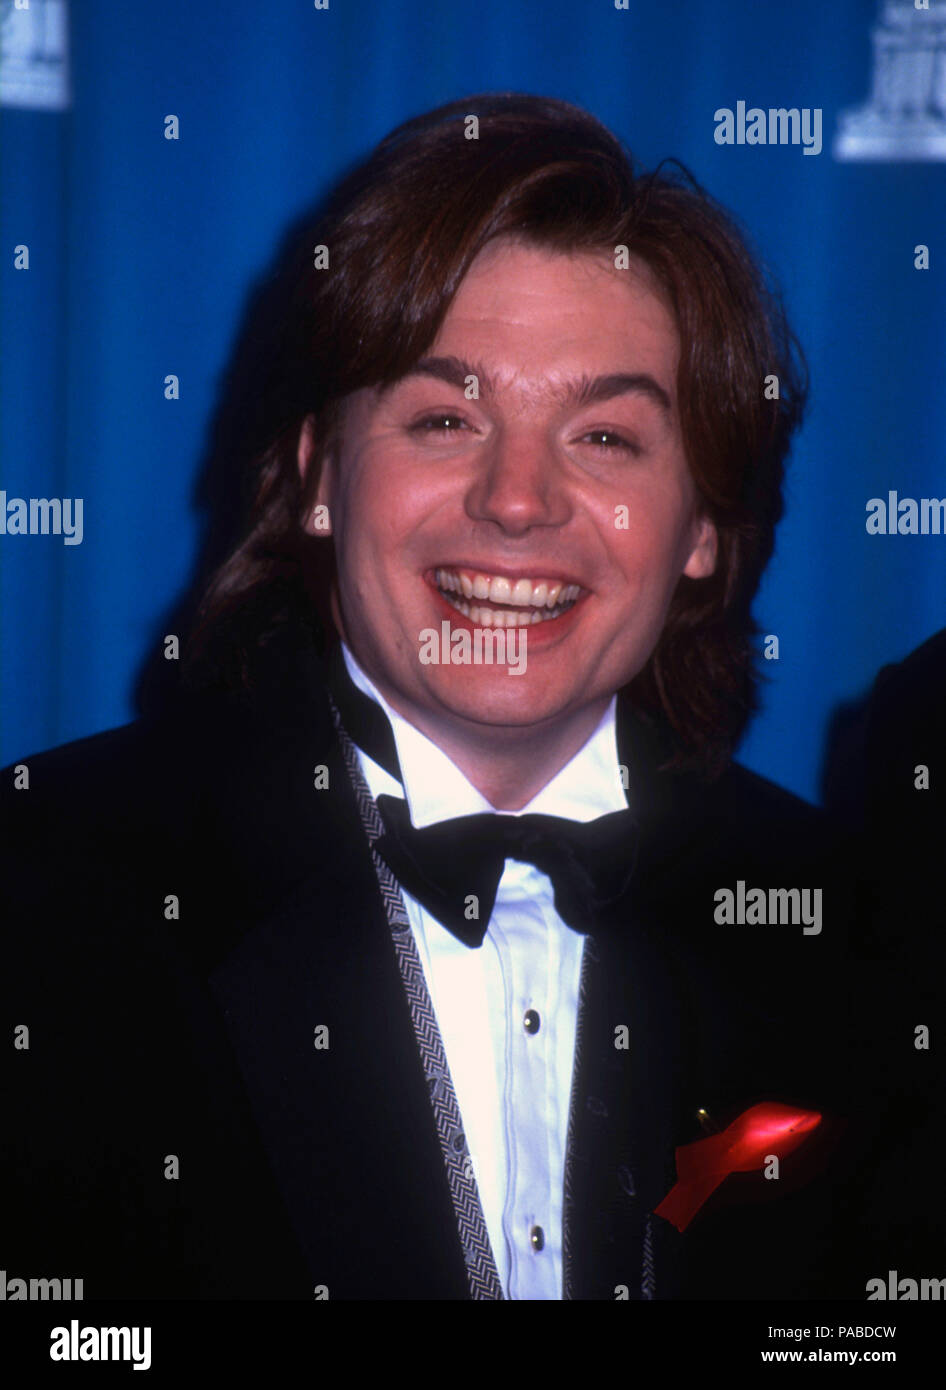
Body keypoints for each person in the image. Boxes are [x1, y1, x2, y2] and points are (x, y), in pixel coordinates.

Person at [0, 93, 890, 1301]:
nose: (515, 500)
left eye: (606, 439)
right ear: (318, 475)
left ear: (706, 528)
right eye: (444, 417)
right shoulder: (46, 889)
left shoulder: (861, 932)